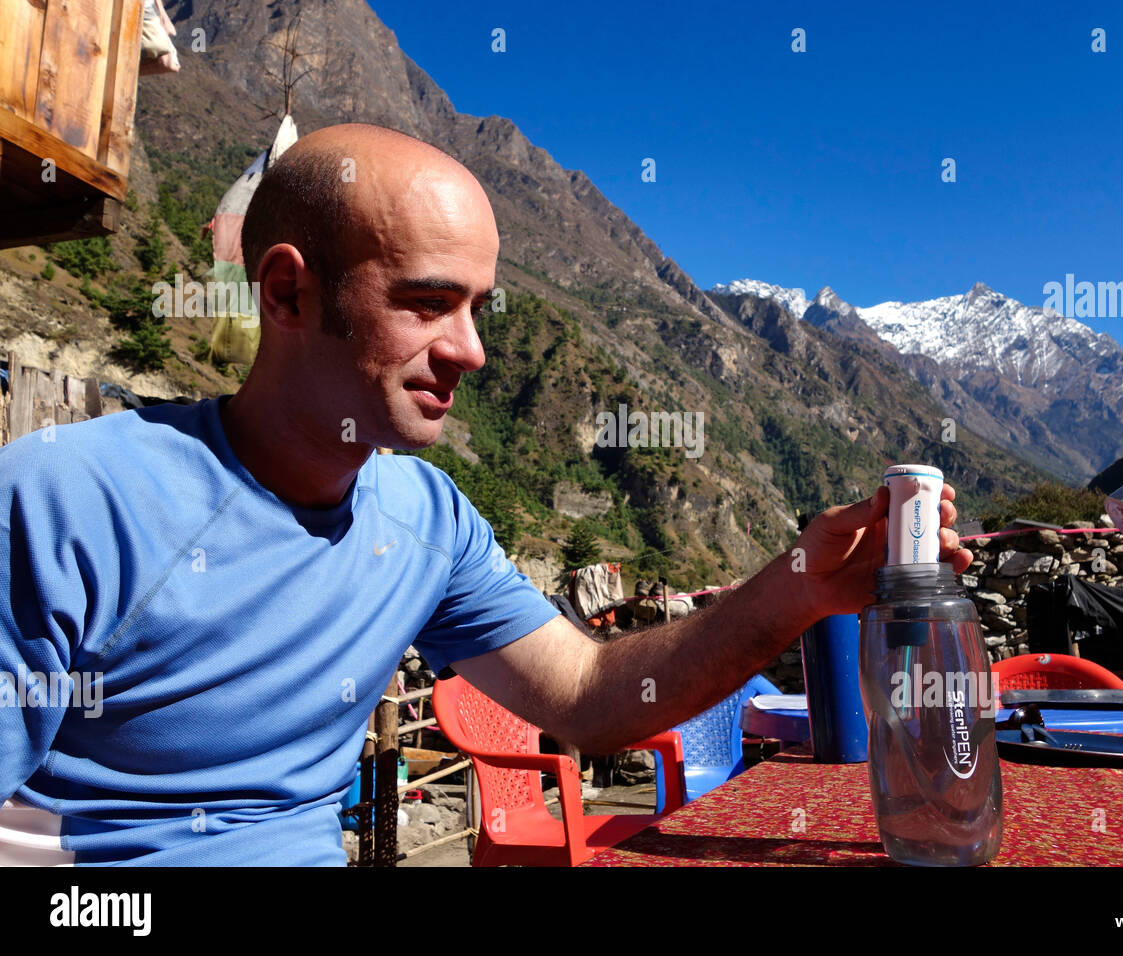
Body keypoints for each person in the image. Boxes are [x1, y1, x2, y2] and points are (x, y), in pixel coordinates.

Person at [0, 123, 972, 865]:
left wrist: (796, 588)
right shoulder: (64, 502)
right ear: (288, 294)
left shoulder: (425, 519)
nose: (470, 350)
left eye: (476, 308)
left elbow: (588, 698)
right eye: (427, 302)